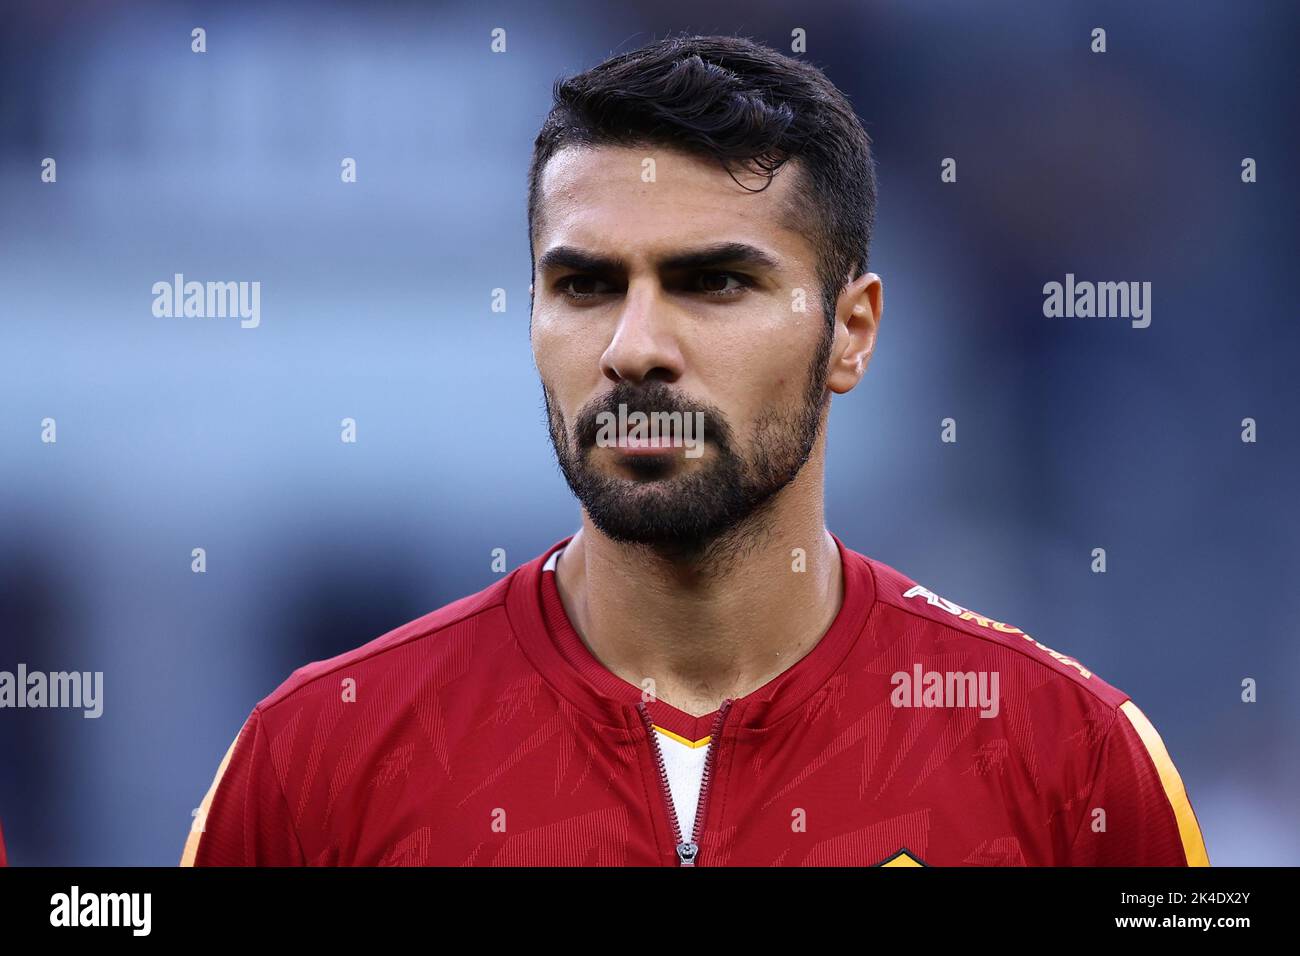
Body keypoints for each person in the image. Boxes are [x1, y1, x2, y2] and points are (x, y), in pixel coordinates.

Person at [182, 34, 1207, 867]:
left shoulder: (1065, 759)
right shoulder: (319, 758)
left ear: (849, 332)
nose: (634, 349)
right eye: (584, 284)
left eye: (714, 282)